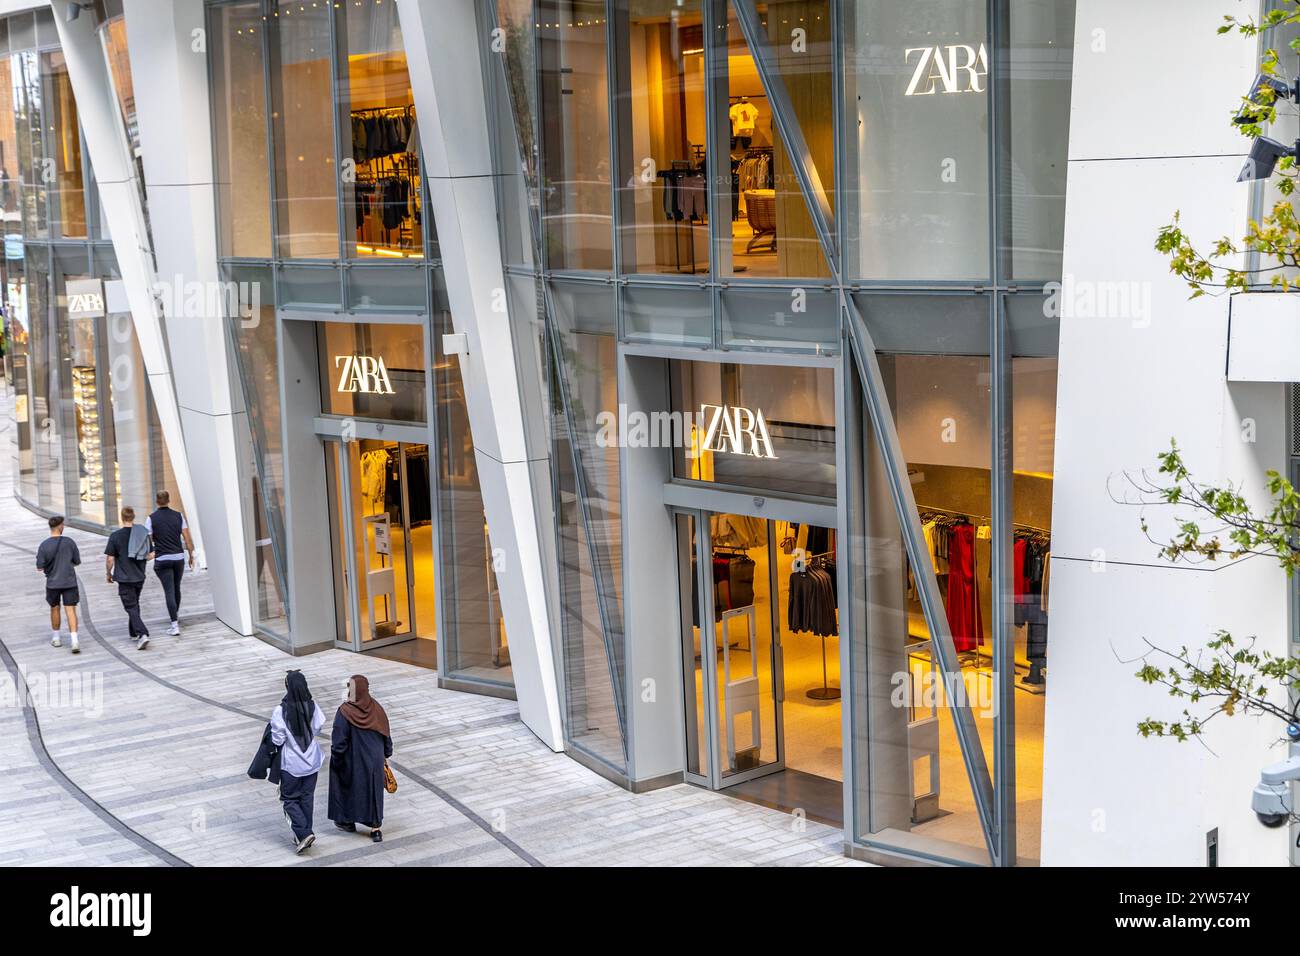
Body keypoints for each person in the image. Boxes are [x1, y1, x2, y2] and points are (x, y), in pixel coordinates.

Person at [328, 675, 393, 843]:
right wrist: (386, 752)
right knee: (373, 791)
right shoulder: (376, 708)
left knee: (348, 787)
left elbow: (339, 742)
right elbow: (386, 733)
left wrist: (337, 759)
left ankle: (347, 821)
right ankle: (375, 828)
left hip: (354, 760)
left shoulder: (345, 711)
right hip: (376, 760)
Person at [269, 670, 324, 854]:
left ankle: (303, 832)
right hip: (312, 761)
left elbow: (276, 739)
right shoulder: (314, 707)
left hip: (290, 764)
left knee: (289, 799)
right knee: (307, 798)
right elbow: (317, 727)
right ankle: (303, 833)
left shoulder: (280, 711)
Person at [104, 506, 154, 651]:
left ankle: (143, 634)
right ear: (133, 517)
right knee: (135, 603)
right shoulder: (143, 534)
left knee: (130, 606)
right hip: (139, 576)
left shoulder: (115, 536)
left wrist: (108, 573)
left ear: (122, 517)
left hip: (125, 577)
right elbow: (150, 555)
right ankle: (133, 633)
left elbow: (110, 559)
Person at [145, 490, 194, 636]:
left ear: (156, 501)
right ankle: (175, 617)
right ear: (168, 500)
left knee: (169, 591)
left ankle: (174, 625)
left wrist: (151, 550)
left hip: (162, 559)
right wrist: (191, 555)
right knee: (176, 587)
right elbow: (187, 538)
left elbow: (148, 538)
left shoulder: (151, 518)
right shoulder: (178, 516)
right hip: (178, 558)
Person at [36, 515, 81, 654]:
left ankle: (56, 638)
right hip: (69, 581)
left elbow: (39, 567)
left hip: (53, 583)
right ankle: (74, 640)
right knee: (71, 610)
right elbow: (77, 561)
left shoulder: (44, 545)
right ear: (60, 526)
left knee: (55, 608)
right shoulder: (69, 542)